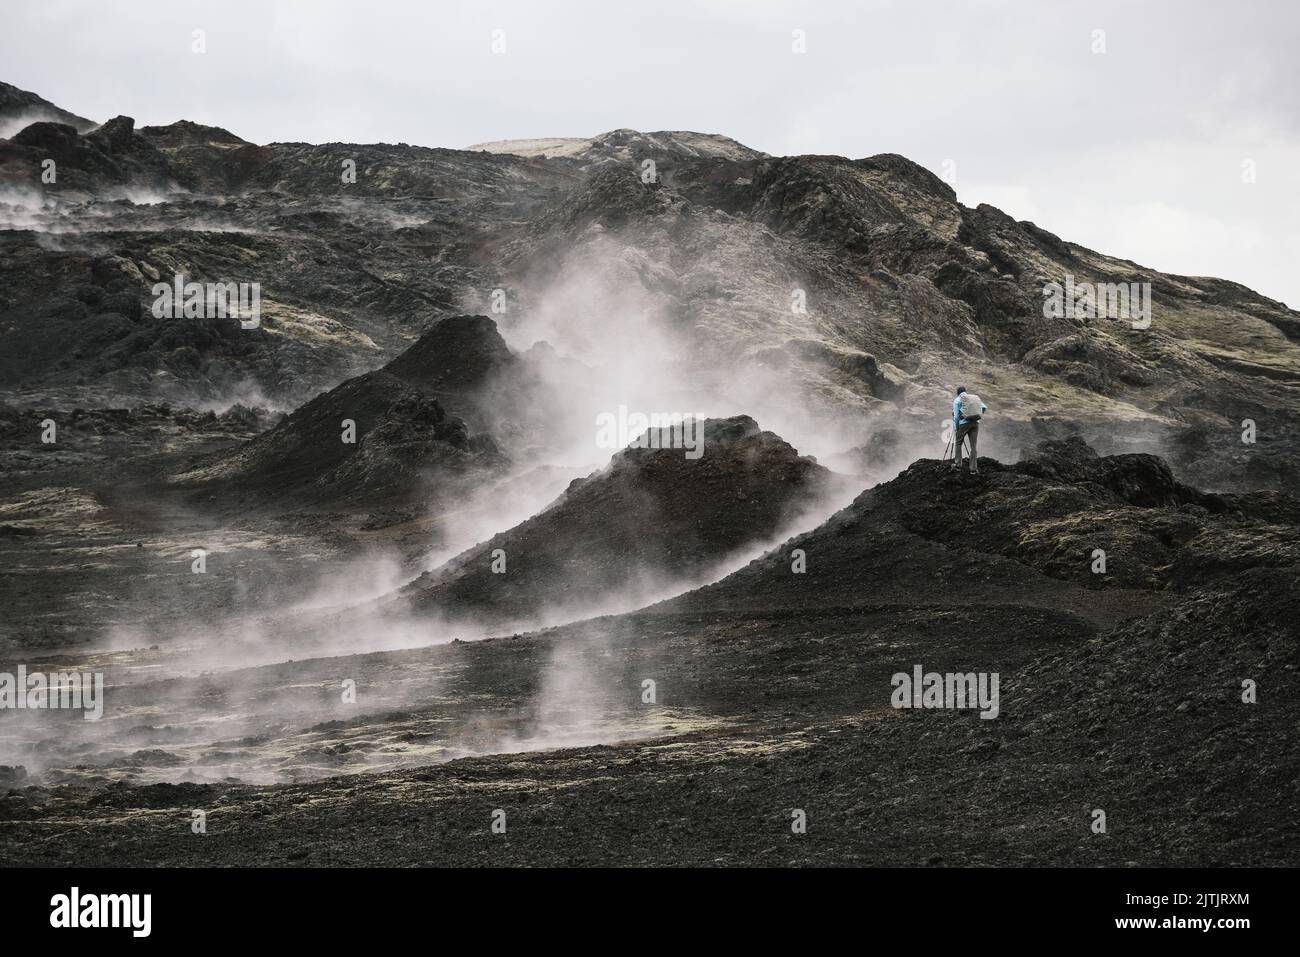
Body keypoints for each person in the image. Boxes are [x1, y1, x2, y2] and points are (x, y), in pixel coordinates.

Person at [951, 386, 987, 474]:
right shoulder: (974, 398)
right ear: (965, 392)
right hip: (975, 423)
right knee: (973, 446)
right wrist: (975, 415)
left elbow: (956, 416)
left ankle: (958, 466)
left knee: (958, 443)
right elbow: (984, 407)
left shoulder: (957, 400)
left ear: (957, 393)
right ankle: (973, 469)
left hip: (963, 424)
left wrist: (956, 427)